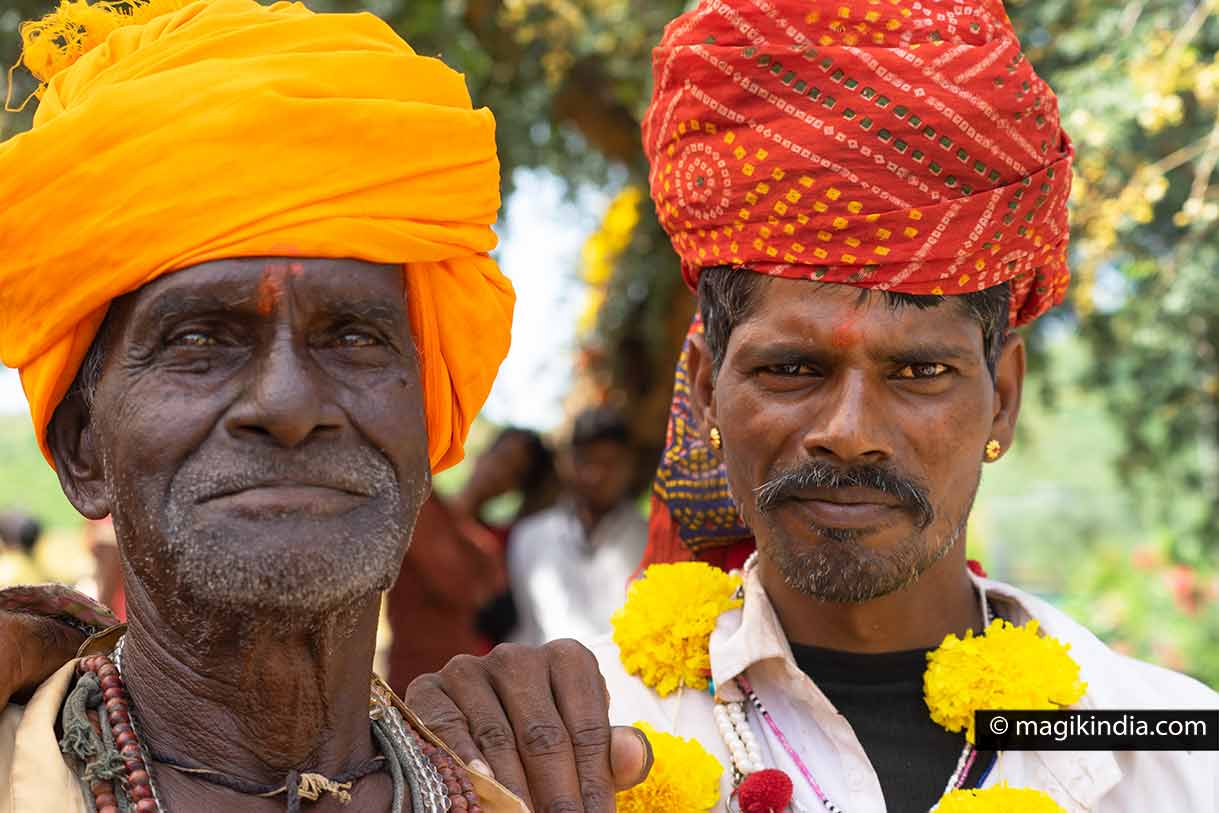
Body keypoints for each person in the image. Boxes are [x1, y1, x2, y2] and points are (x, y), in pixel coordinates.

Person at [0, 0, 649, 810]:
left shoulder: (547, 784)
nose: (288, 402)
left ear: (428, 415)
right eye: (200, 340)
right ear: (80, 448)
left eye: (353, 338)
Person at [582, 1, 1219, 811]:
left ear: (1003, 400)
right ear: (707, 388)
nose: (847, 433)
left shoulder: (1172, 749)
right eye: (792, 367)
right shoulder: (582, 736)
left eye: (918, 370)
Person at [507, 407, 647, 644]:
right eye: (586, 461)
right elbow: (529, 629)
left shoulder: (652, 539)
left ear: (629, 466)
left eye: (609, 463)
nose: (596, 475)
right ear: (567, 462)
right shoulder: (529, 536)